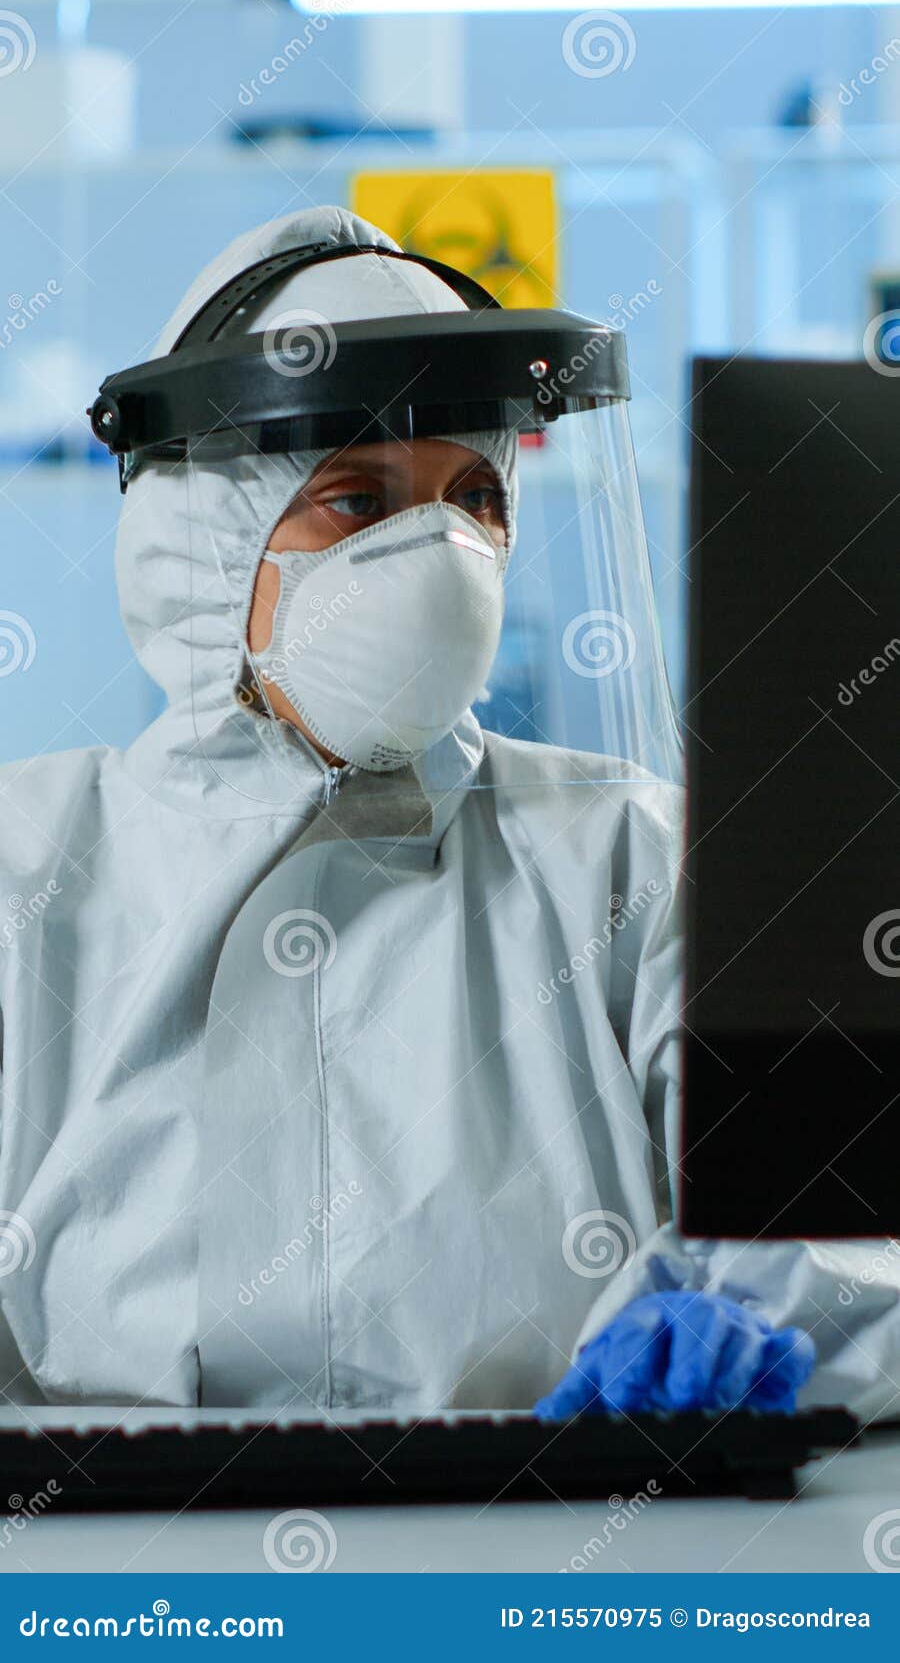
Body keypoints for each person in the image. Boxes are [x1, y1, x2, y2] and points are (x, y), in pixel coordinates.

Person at [0, 204, 897, 1422]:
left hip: (547, 1558)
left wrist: (763, 1316)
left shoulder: (636, 860)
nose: (441, 558)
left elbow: (844, 1223)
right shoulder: (29, 872)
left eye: (474, 498)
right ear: (208, 544)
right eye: (358, 503)